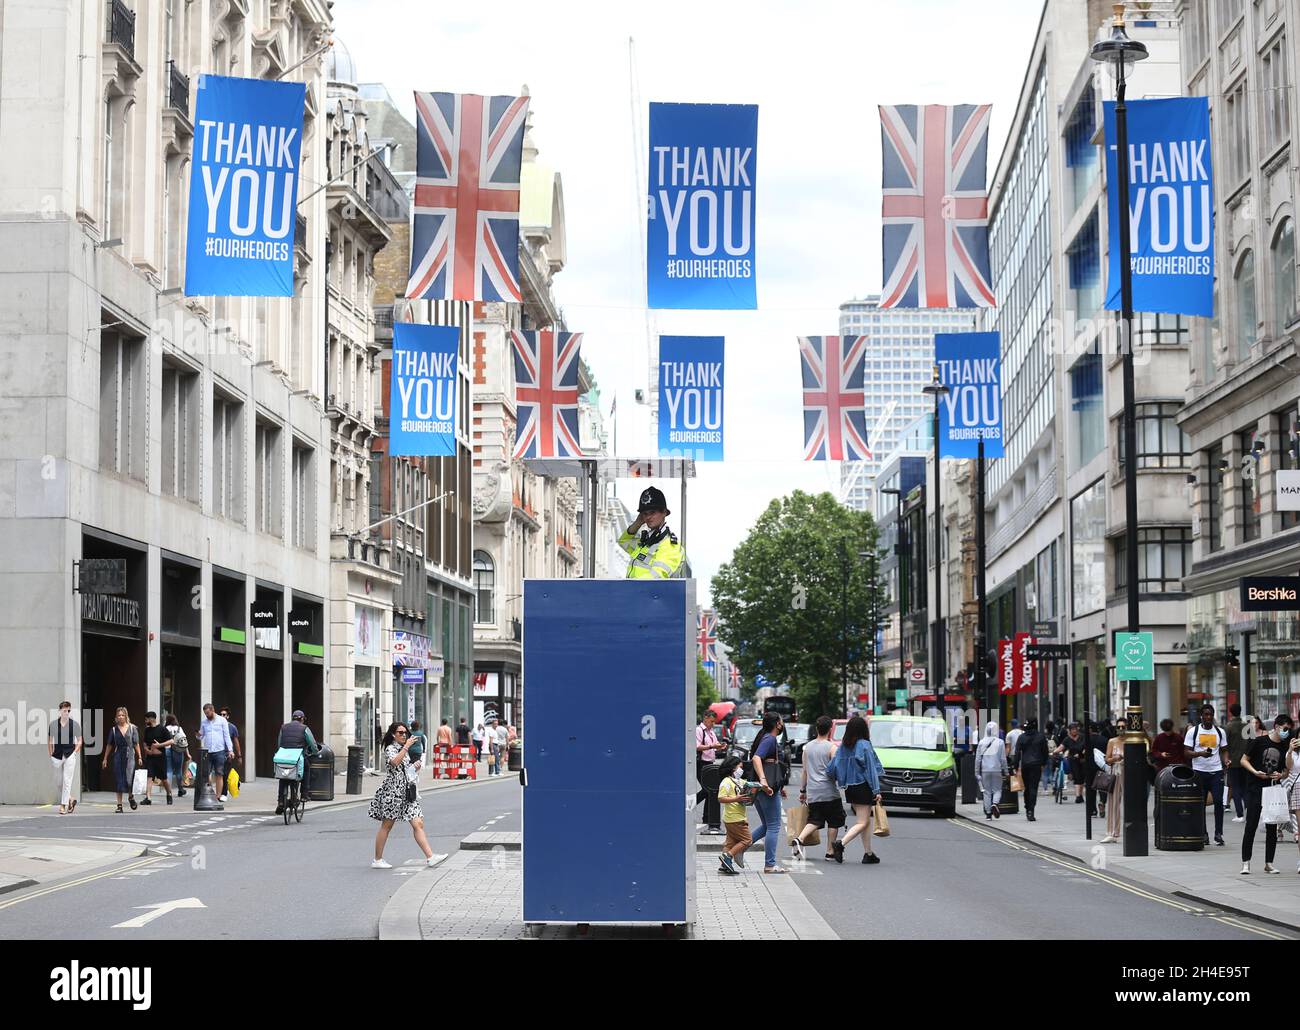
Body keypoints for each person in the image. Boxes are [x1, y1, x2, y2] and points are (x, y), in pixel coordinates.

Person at [369, 722, 439, 868]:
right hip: (393, 792)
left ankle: (431, 857)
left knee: (418, 823)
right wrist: (407, 746)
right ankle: (377, 859)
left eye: (405, 732)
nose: (403, 735)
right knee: (387, 825)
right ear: (393, 734)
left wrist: (414, 767)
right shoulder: (390, 748)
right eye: (400, 733)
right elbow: (394, 762)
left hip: (407, 792)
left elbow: (405, 771)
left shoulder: (402, 749)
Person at [1239, 714, 1294, 875]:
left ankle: (1269, 863)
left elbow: (1286, 770)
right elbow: (1243, 760)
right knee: (1251, 825)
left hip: (1273, 789)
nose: (1286, 732)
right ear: (1276, 726)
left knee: (1272, 826)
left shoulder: (1284, 746)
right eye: (1284, 729)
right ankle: (1245, 863)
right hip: (1255, 787)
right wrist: (1255, 772)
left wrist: (1281, 775)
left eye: (1289, 730)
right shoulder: (1259, 741)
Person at [827, 715, 884, 864]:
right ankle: (840, 844)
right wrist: (876, 790)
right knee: (863, 822)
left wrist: (838, 778)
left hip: (850, 788)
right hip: (863, 786)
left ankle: (868, 853)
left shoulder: (844, 747)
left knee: (864, 821)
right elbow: (870, 770)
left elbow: (831, 768)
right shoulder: (864, 745)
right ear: (863, 729)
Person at [791, 716, 845, 862]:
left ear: (816, 729)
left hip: (813, 792)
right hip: (829, 791)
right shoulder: (832, 748)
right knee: (834, 821)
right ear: (830, 729)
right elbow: (835, 769)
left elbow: (804, 771)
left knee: (815, 819)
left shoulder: (807, 747)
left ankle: (800, 838)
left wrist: (803, 791)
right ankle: (829, 852)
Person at [747, 712, 788, 874]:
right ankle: (770, 864)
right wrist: (764, 780)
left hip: (764, 788)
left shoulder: (764, 737)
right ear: (777, 724)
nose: (783, 723)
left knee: (766, 826)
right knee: (773, 826)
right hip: (766, 789)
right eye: (782, 720)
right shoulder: (769, 739)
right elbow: (757, 758)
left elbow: (771, 765)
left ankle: (735, 850)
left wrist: (780, 786)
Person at [1184, 704, 1229, 846]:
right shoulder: (1193, 732)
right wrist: (1200, 754)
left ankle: (1218, 833)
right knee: (1200, 804)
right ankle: (1203, 833)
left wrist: (1226, 760)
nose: (1208, 717)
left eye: (1210, 714)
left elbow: (1224, 749)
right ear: (1201, 716)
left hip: (1216, 772)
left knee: (1218, 802)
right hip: (1199, 772)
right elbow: (1186, 752)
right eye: (1205, 714)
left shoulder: (1220, 732)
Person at [618, 486, 685, 580]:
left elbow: (657, 576)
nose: (648, 517)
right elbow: (623, 541)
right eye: (645, 514)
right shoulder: (646, 543)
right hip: (636, 593)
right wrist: (638, 523)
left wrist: (631, 588)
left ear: (664, 513)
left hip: (651, 593)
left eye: (652, 512)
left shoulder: (670, 545)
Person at [275, 709, 320, 815]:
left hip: (284, 757)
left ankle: (281, 801)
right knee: (306, 769)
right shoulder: (304, 728)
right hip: (298, 757)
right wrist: (315, 752)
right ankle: (304, 794)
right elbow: (312, 743)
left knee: (283, 777)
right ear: (302, 719)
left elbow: (279, 743)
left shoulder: (283, 727)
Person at [716, 756, 755, 874]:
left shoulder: (740, 781)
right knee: (747, 840)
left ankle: (725, 864)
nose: (741, 770)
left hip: (734, 817)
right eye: (740, 767)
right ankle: (728, 856)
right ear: (733, 768)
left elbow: (751, 785)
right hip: (735, 818)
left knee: (731, 842)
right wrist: (736, 798)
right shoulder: (726, 782)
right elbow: (721, 798)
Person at [101, 707, 142, 813]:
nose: (120, 717)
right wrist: (105, 758)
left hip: (130, 756)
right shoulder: (114, 730)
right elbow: (109, 745)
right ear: (116, 717)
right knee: (119, 780)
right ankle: (119, 805)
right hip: (118, 756)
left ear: (126, 716)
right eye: (119, 715)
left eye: (122, 715)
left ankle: (130, 797)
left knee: (129, 779)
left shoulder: (132, 728)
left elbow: (136, 744)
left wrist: (140, 757)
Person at [48, 700, 82, 814]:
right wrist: (50, 754)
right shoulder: (53, 724)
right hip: (57, 755)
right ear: (60, 711)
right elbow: (49, 740)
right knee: (58, 781)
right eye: (64, 710)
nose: (66, 712)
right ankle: (71, 799)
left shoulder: (74, 724)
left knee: (67, 780)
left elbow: (80, 741)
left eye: (68, 710)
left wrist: (75, 752)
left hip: (70, 754)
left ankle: (63, 805)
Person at [1012, 718, 1049, 821]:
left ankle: (1027, 806)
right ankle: (1031, 810)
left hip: (1026, 765)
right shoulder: (1041, 737)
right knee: (1033, 788)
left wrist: (1015, 766)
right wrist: (1043, 763)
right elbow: (1045, 752)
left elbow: (1017, 753)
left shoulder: (1021, 737)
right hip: (1036, 765)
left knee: (1027, 788)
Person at [199, 702, 234, 802]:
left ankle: (218, 796)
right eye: (205, 714)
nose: (207, 715)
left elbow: (227, 736)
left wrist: (230, 750)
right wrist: (198, 735)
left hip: (219, 750)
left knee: (219, 774)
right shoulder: (204, 722)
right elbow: (201, 736)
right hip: (208, 751)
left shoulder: (222, 720)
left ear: (212, 710)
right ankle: (211, 793)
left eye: (208, 713)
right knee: (206, 774)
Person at [694, 710, 722, 827]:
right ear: (705, 718)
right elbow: (697, 746)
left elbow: (715, 745)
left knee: (710, 791)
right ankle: (689, 805)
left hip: (710, 764)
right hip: (701, 764)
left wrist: (719, 747)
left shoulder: (711, 732)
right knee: (707, 790)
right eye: (711, 721)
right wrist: (711, 746)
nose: (713, 724)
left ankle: (707, 818)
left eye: (714, 722)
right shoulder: (699, 730)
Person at [140, 711, 174, 806]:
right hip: (150, 757)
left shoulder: (162, 729)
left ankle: (169, 794)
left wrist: (160, 745)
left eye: (146, 719)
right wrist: (146, 749)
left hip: (160, 758)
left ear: (152, 719)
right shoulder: (147, 730)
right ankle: (148, 798)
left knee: (164, 779)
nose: (145, 721)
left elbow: (171, 741)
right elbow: (144, 742)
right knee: (150, 777)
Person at [976, 721, 1007, 819]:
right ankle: (995, 803)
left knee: (987, 792)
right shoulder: (1000, 742)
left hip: (985, 770)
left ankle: (988, 814)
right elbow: (1003, 759)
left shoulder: (981, 742)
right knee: (997, 789)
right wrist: (1006, 771)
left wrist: (976, 772)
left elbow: (978, 759)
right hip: (997, 770)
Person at [1099, 729, 1125, 844]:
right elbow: (1107, 760)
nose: (1121, 729)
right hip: (1116, 772)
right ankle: (1112, 833)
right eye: (1119, 727)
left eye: (1123, 726)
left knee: (1132, 803)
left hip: (1129, 773)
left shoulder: (1131, 741)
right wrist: (1115, 759)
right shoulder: (1112, 741)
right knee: (1113, 802)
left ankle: (1131, 831)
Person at [1054, 722, 1089, 804]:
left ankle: (1080, 795)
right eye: (1072, 729)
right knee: (1077, 777)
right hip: (1073, 760)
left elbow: (1086, 747)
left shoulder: (1082, 737)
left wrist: (1082, 754)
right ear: (1069, 730)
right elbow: (1061, 747)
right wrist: (1054, 752)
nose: (1074, 731)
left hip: (1082, 759)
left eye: (1075, 729)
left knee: (1082, 777)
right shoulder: (1067, 739)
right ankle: (1078, 796)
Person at [1225, 703, 1248, 823]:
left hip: (1233, 761)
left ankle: (1239, 814)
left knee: (1235, 787)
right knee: (1245, 787)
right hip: (1246, 761)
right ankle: (1248, 811)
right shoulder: (1247, 725)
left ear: (1230, 712)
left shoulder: (1228, 727)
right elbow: (1252, 742)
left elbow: (1225, 745)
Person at [164, 715, 191, 798]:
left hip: (167, 749)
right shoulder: (179, 728)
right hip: (178, 750)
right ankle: (180, 789)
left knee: (169, 770)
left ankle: (169, 792)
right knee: (178, 770)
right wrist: (187, 753)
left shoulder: (165, 729)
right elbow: (184, 742)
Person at [218, 706, 242, 802]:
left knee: (224, 774)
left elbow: (236, 742)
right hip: (217, 753)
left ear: (228, 716)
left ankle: (224, 793)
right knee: (218, 773)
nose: (222, 716)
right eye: (220, 714)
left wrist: (239, 756)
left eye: (224, 714)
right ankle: (220, 792)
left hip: (227, 754)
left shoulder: (232, 727)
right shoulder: (216, 726)